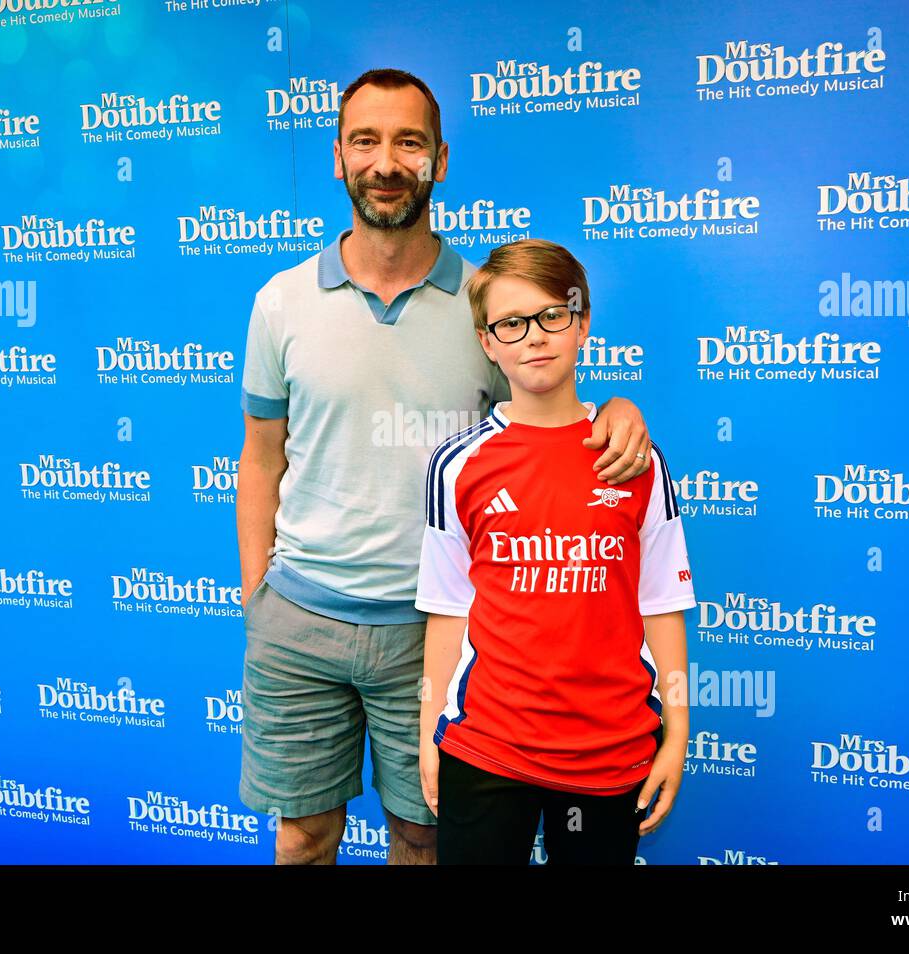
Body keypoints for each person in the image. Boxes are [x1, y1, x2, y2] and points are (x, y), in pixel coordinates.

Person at [236, 69, 656, 866]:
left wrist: (618, 411)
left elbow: (547, 415)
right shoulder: (280, 303)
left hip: (437, 635)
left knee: (422, 839)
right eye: (365, 140)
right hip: (299, 623)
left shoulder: (485, 301)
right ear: (338, 157)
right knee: (302, 837)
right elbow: (261, 458)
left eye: (408, 142)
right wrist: (259, 592)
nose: (385, 161)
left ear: (440, 159)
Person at [415, 238, 695, 865]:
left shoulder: (634, 460)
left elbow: (662, 603)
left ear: (582, 323)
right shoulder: (455, 466)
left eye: (552, 315)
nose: (534, 337)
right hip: (486, 748)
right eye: (511, 324)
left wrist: (676, 732)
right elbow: (446, 611)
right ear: (488, 343)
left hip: (607, 751)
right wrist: (428, 734)